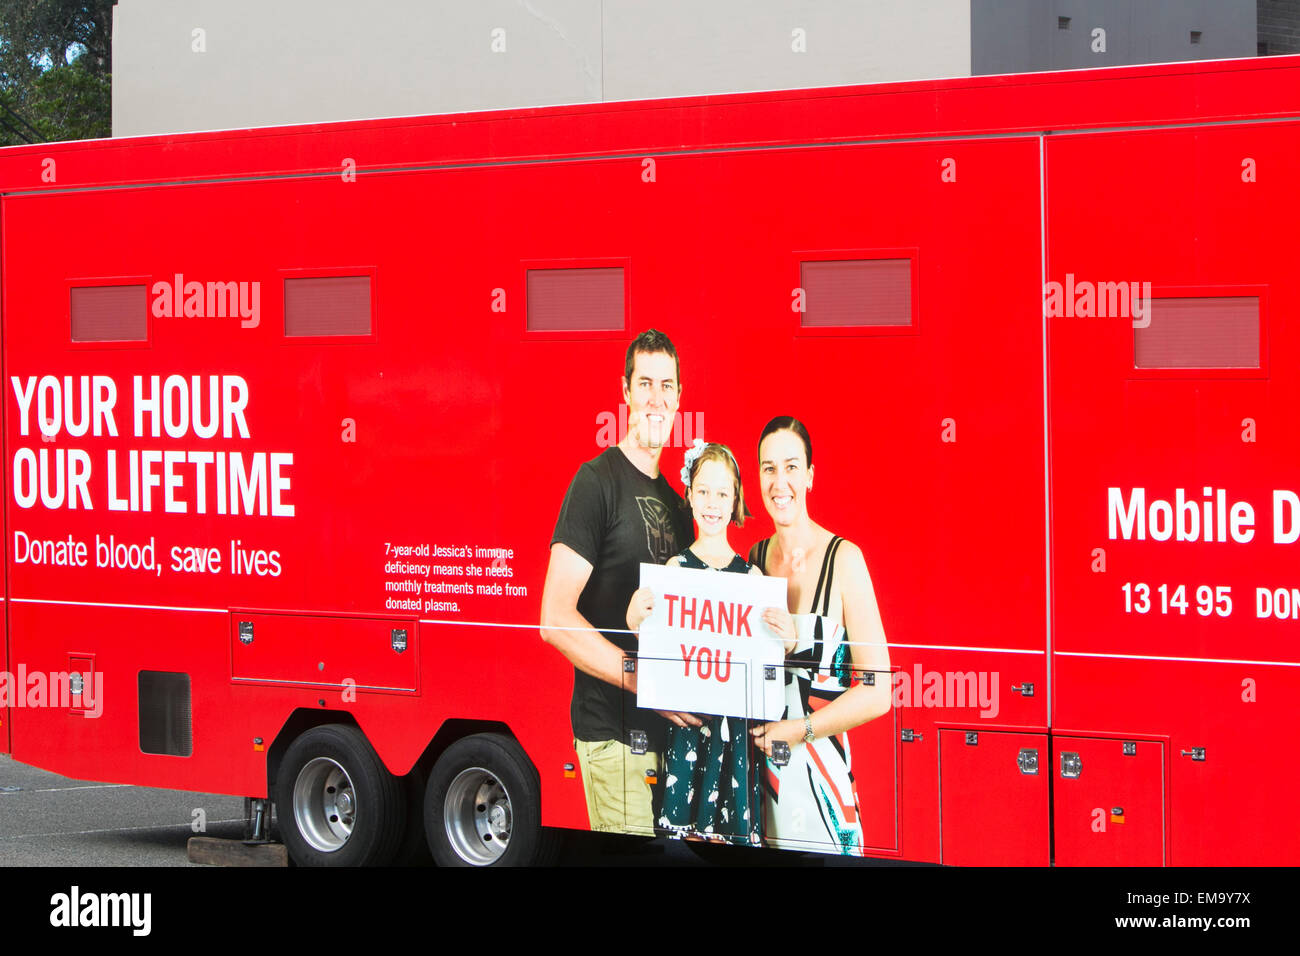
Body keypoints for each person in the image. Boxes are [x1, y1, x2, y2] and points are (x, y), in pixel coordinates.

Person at [540, 330, 698, 834]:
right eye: (645, 383)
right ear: (625, 392)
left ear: (679, 396)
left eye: (667, 385)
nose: (656, 397)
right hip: (612, 734)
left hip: (668, 740)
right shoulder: (596, 482)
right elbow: (555, 621)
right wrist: (648, 681)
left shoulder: (680, 506)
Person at [625, 441, 796, 845]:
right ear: (689, 494)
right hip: (690, 727)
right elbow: (658, 648)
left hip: (734, 734)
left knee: (730, 844)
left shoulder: (753, 579)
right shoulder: (673, 571)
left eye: (722, 493)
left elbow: (772, 657)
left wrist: (787, 640)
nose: (712, 502)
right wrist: (635, 622)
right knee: (686, 845)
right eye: (703, 491)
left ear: (736, 499)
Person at [747, 416, 892, 855]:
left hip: (824, 792)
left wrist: (799, 730)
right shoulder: (750, 560)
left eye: (791, 467)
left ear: (810, 475)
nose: (779, 481)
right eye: (768, 468)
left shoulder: (845, 559)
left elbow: (879, 690)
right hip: (760, 791)